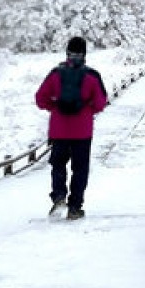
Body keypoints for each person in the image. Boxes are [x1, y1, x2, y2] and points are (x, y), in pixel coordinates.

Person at [34, 36, 108, 219]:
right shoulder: (92, 76)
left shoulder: (55, 74)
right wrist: (86, 110)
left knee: (58, 165)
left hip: (59, 130)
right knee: (80, 169)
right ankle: (75, 207)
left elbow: (40, 98)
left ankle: (59, 197)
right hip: (82, 131)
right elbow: (100, 103)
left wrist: (55, 107)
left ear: (67, 52)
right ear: (84, 54)